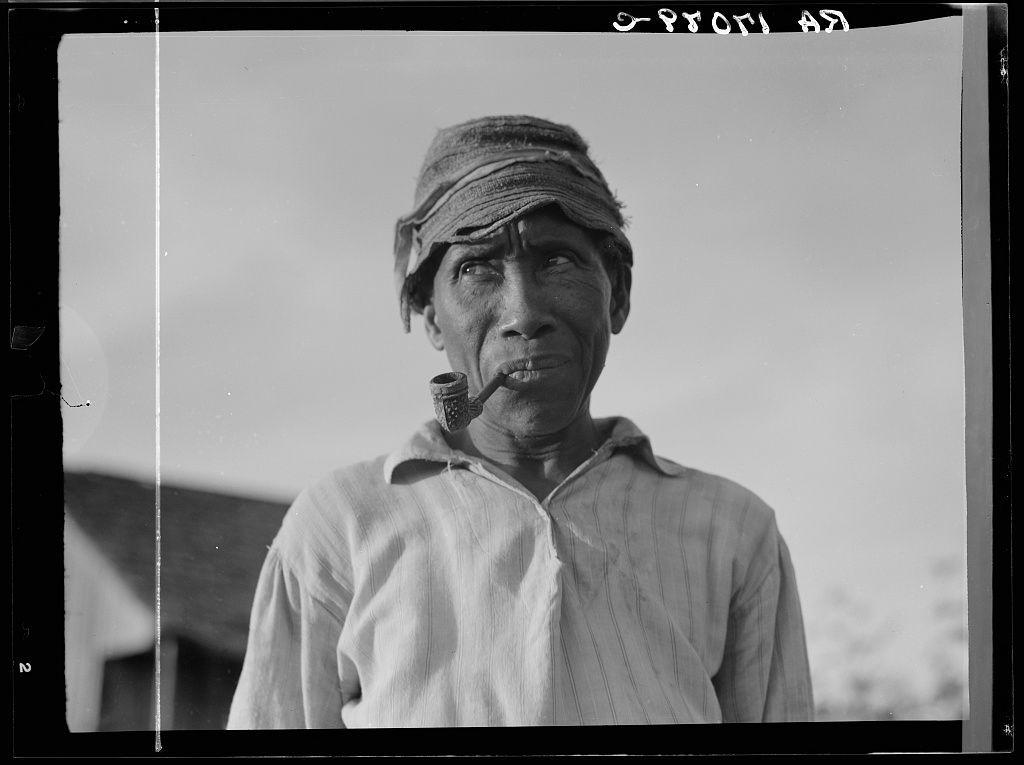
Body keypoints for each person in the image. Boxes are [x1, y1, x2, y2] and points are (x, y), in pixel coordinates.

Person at [227, 115, 814, 728]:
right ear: (433, 318)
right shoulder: (338, 526)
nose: (524, 313)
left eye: (557, 261)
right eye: (476, 268)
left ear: (617, 295)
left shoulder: (732, 531)